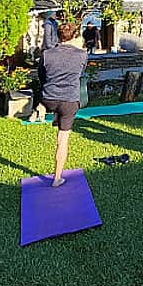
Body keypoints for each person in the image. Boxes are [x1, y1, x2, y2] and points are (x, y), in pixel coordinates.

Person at [38, 23, 89, 186]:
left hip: (49, 98)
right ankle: (57, 178)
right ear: (74, 36)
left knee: (50, 103)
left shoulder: (47, 54)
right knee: (62, 140)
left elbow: (41, 76)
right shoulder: (82, 55)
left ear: (58, 36)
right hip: (69, 101)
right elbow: (80, 73)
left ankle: (41, 109)